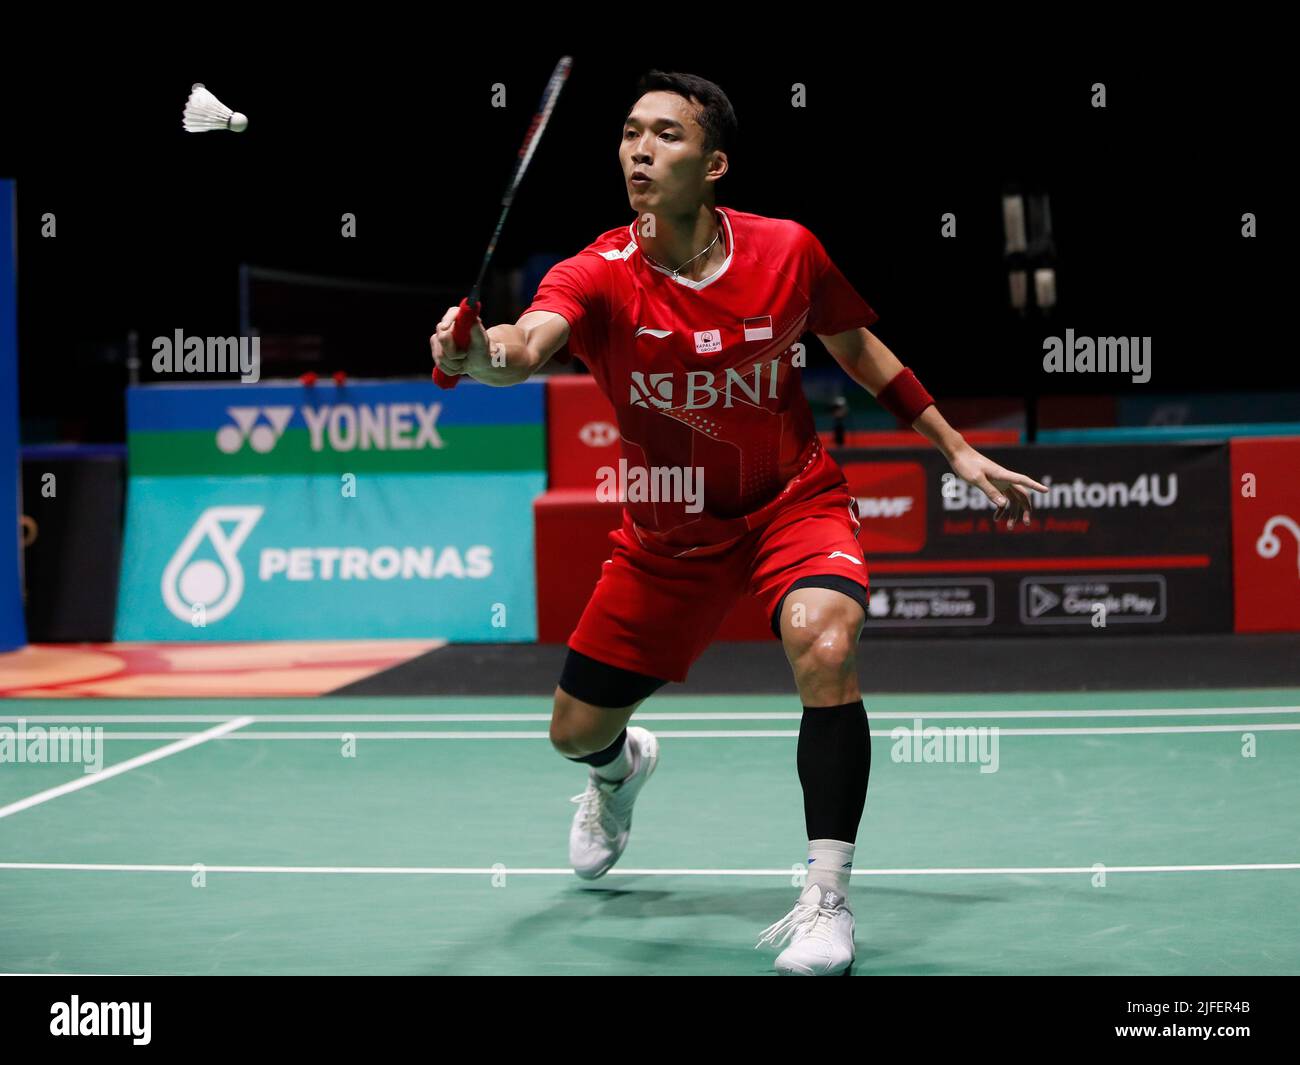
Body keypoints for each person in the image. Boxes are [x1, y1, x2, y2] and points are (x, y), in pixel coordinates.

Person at [431, 70, 1047, 975]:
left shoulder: (787, 251)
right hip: (668, 533)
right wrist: (474, 353)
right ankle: (620, 773)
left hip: (788, 500)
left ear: (714, 162)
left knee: (826, 643)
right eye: (631, 133)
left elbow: (853, 342)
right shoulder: (596, 275)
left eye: (667, 135)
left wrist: (949, 445)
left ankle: (826, 897)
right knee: (573, 731)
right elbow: (525, 345)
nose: (640, 150)